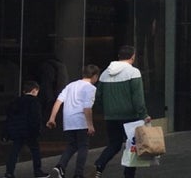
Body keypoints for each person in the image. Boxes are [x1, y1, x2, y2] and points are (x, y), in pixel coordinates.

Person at [94, 46, 152, 178]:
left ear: (119, 56)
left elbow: (98, 97)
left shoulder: (104, 74)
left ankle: (99, 164)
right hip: (130, 116)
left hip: (110, 116)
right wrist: (144, 114)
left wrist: (106, 110)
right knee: (132, 147)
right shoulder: (133, 72)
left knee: (114, 144)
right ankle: (128, 175)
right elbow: (138, 98)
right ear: (133, 56)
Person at [47, 65, 101, 178]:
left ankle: (60, 166)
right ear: (95, 76)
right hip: (81, 121)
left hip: (68, 121)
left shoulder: (70, 85)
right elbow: (87, 108)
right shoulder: (91, 88)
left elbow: (58, 101)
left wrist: (52, 118)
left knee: (72, 145)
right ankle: (78, 173)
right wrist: (90, 125)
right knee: (83, 146)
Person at [3, 80, 49, 178]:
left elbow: (9, 117)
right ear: (35, 90)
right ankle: (37, 171)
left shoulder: (16, 101)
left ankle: (9, 172)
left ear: (24, 91)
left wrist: (7, 133)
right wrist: (38, 131)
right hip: (29, 131)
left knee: (14, 152)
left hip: (17, 131)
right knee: (35, 151)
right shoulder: (35, 102)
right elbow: (36, 118)